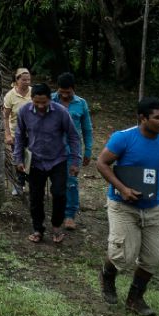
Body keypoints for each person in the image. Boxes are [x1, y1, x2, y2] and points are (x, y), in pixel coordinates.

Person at [96, 96, 159, 316]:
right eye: (158, 117)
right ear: (143, 118)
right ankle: (107, 276)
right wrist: (123, 189)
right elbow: (102, 163)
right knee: (123, 255)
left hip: (152, 208)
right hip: (123, 205)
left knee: (156, 259)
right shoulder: (123, 138)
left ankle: (135, 298)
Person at [12, 83, 81, 244]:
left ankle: (57, 226)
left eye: (44, 102)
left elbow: (73, 136)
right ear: (32, 99)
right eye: (37, 102)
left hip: (58, 160)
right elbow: (20, 135)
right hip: (35, 161)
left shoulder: (61, 112)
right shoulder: (24, 112)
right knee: (36, 197)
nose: (41, 106)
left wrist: (75, 161)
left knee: (59, 194)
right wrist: (18, 159)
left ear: (50, 99)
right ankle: (38, 229)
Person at [56, 72, 94, 229]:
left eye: (68, 92)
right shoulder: (50, 99)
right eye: (61, 91)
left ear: (73, 89)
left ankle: (70, 215)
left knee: (71, 181)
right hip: (52, 148)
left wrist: (88, 150)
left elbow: (87, 129)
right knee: (56, 182)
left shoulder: (81, 103)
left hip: (72, 149)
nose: (64, 95)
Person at [0, 67, 33, 194]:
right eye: (24, 80)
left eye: (29, 79)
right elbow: (6, 117)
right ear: (17, 80)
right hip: (16, 133)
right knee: (18, 158)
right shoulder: (10, 95)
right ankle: (19, 184)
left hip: (33, 133)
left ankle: (32, 182)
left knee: (31, 158)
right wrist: (8, 135)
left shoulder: (33, 92)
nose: (27, 82)